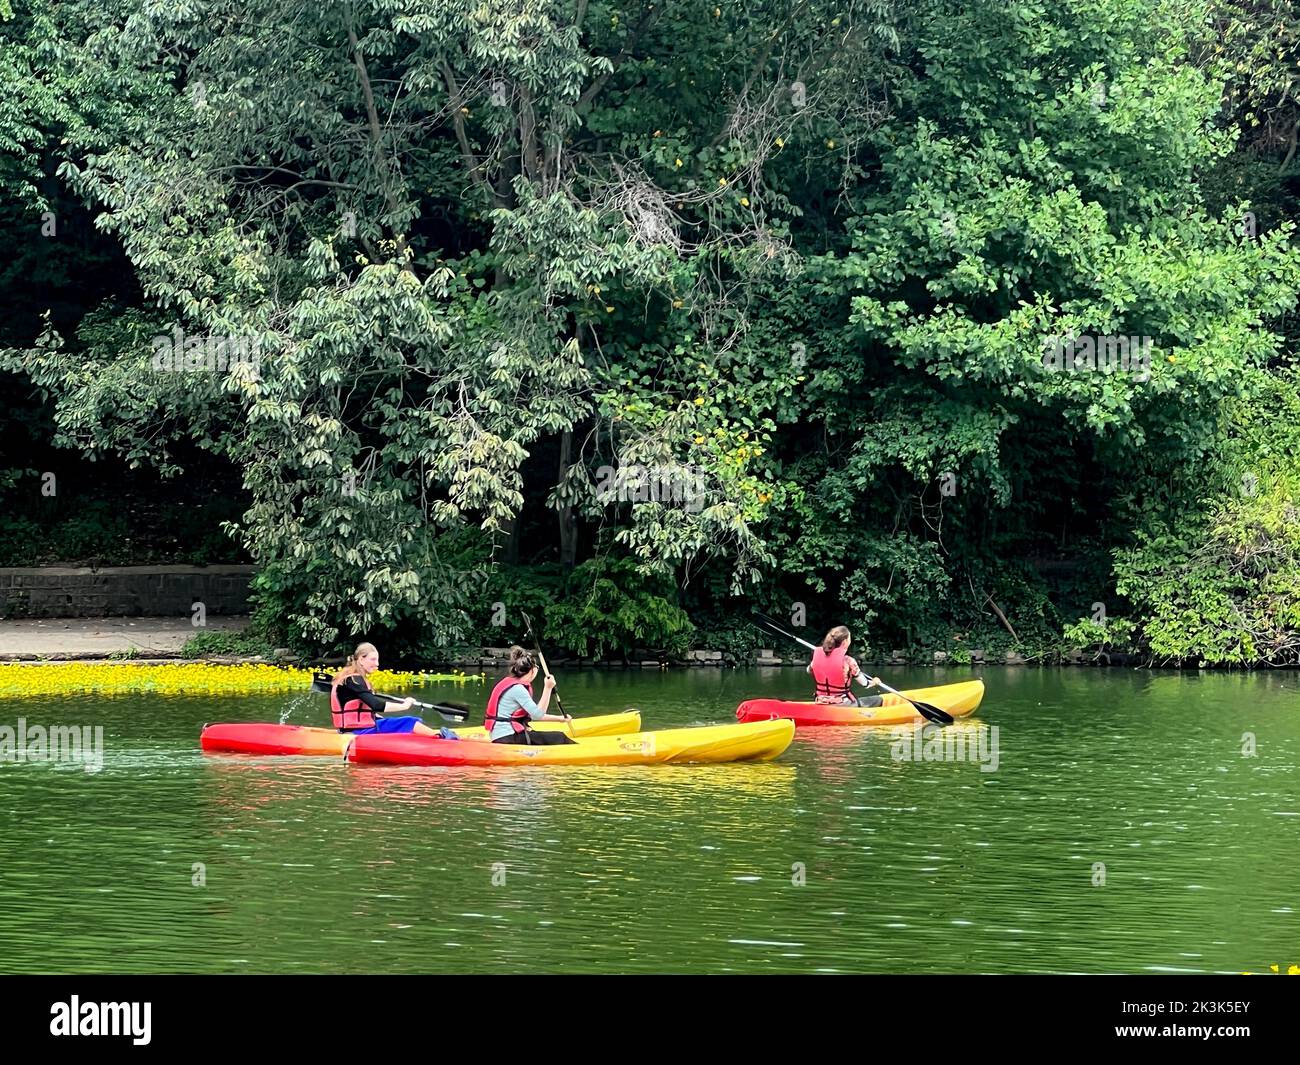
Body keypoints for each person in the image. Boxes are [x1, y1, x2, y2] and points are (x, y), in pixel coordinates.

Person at [331, 642, 439, 734]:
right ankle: (439, 738)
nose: (377, 664)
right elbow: (376, 705)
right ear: (361, 660)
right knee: (409, 721)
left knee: (398, 721)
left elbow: (368, 708)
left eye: (377, 660)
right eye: (373, 660)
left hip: (356, 729)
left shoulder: (351, 679)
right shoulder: (354, 680)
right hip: (360, 732)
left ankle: (436, 735)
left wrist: (378, 717)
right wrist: (405, 706)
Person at [484, 646, 576, 745]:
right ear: (532, 670)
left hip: (503, 735)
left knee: (542, 736)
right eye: (536, 667)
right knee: (560, 737)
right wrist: (548, 688)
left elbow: (532, 715)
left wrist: (560, 719)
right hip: (508, 737)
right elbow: (538, 715)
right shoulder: (518, 689)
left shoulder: (512, 684)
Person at [807, 625, 884, 707]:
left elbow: (809, 670)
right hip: (843, 704)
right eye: (850, 638)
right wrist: (875, 682)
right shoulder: (849, 661)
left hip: (820, 701)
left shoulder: (817, 658)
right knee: (878, 699)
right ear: (845, 641)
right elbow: (866, 684)